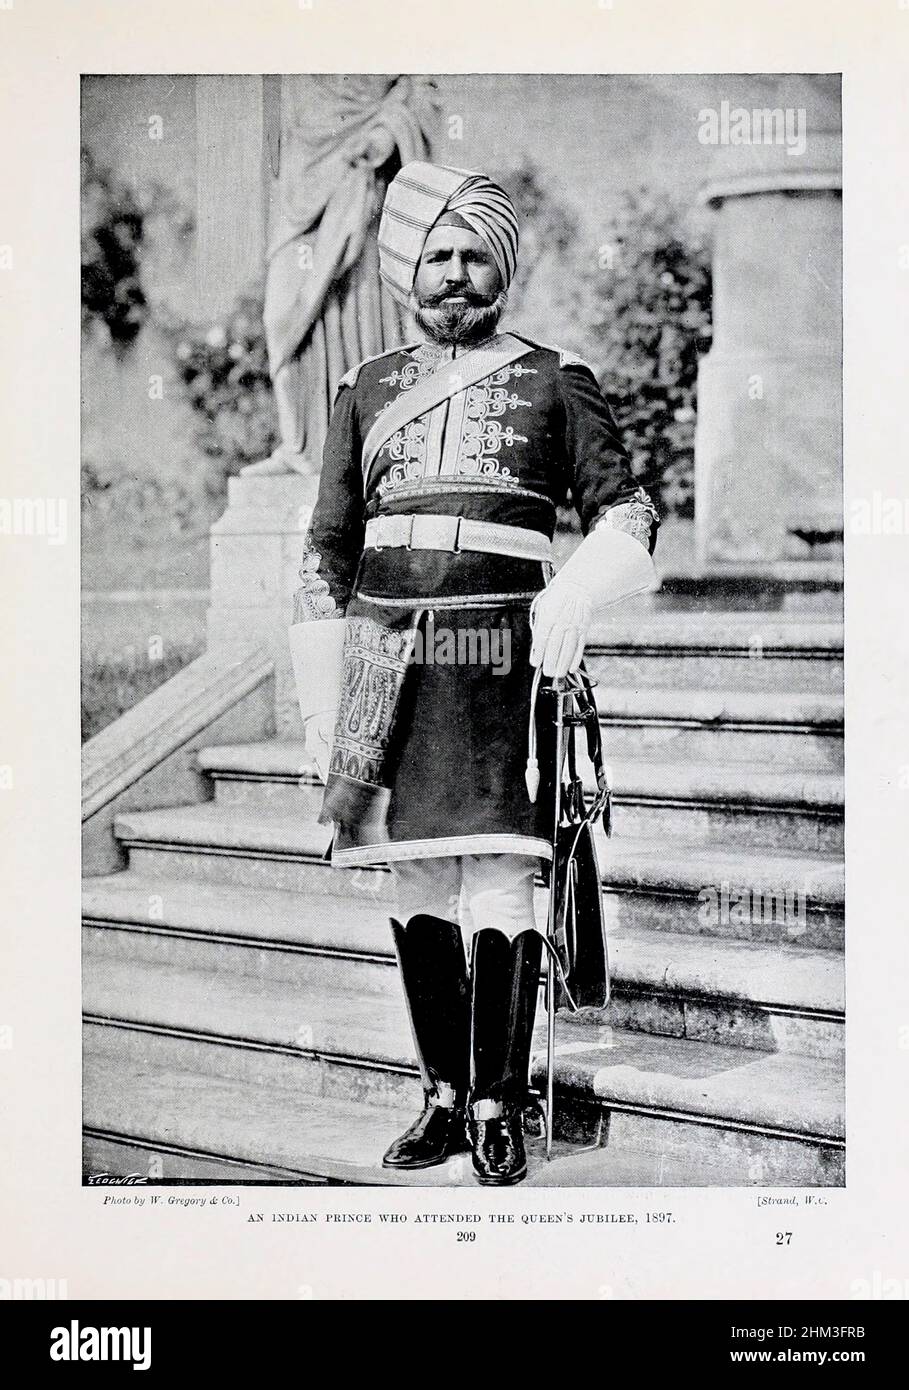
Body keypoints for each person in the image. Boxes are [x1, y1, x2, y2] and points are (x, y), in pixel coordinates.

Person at [289, 160, 659, 1185]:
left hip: (502, 656)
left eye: (473, 256)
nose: (455, 273)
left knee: (500, 872)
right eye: (437, 256)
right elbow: (325, 548)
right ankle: (444, 1097)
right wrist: (323, 699)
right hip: (384, 659)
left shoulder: (556, 376)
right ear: (411, 272)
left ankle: (501, 1099)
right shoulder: (363, 391)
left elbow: (628, 515)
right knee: (414, 877)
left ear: (503, 268)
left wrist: (576, 592)